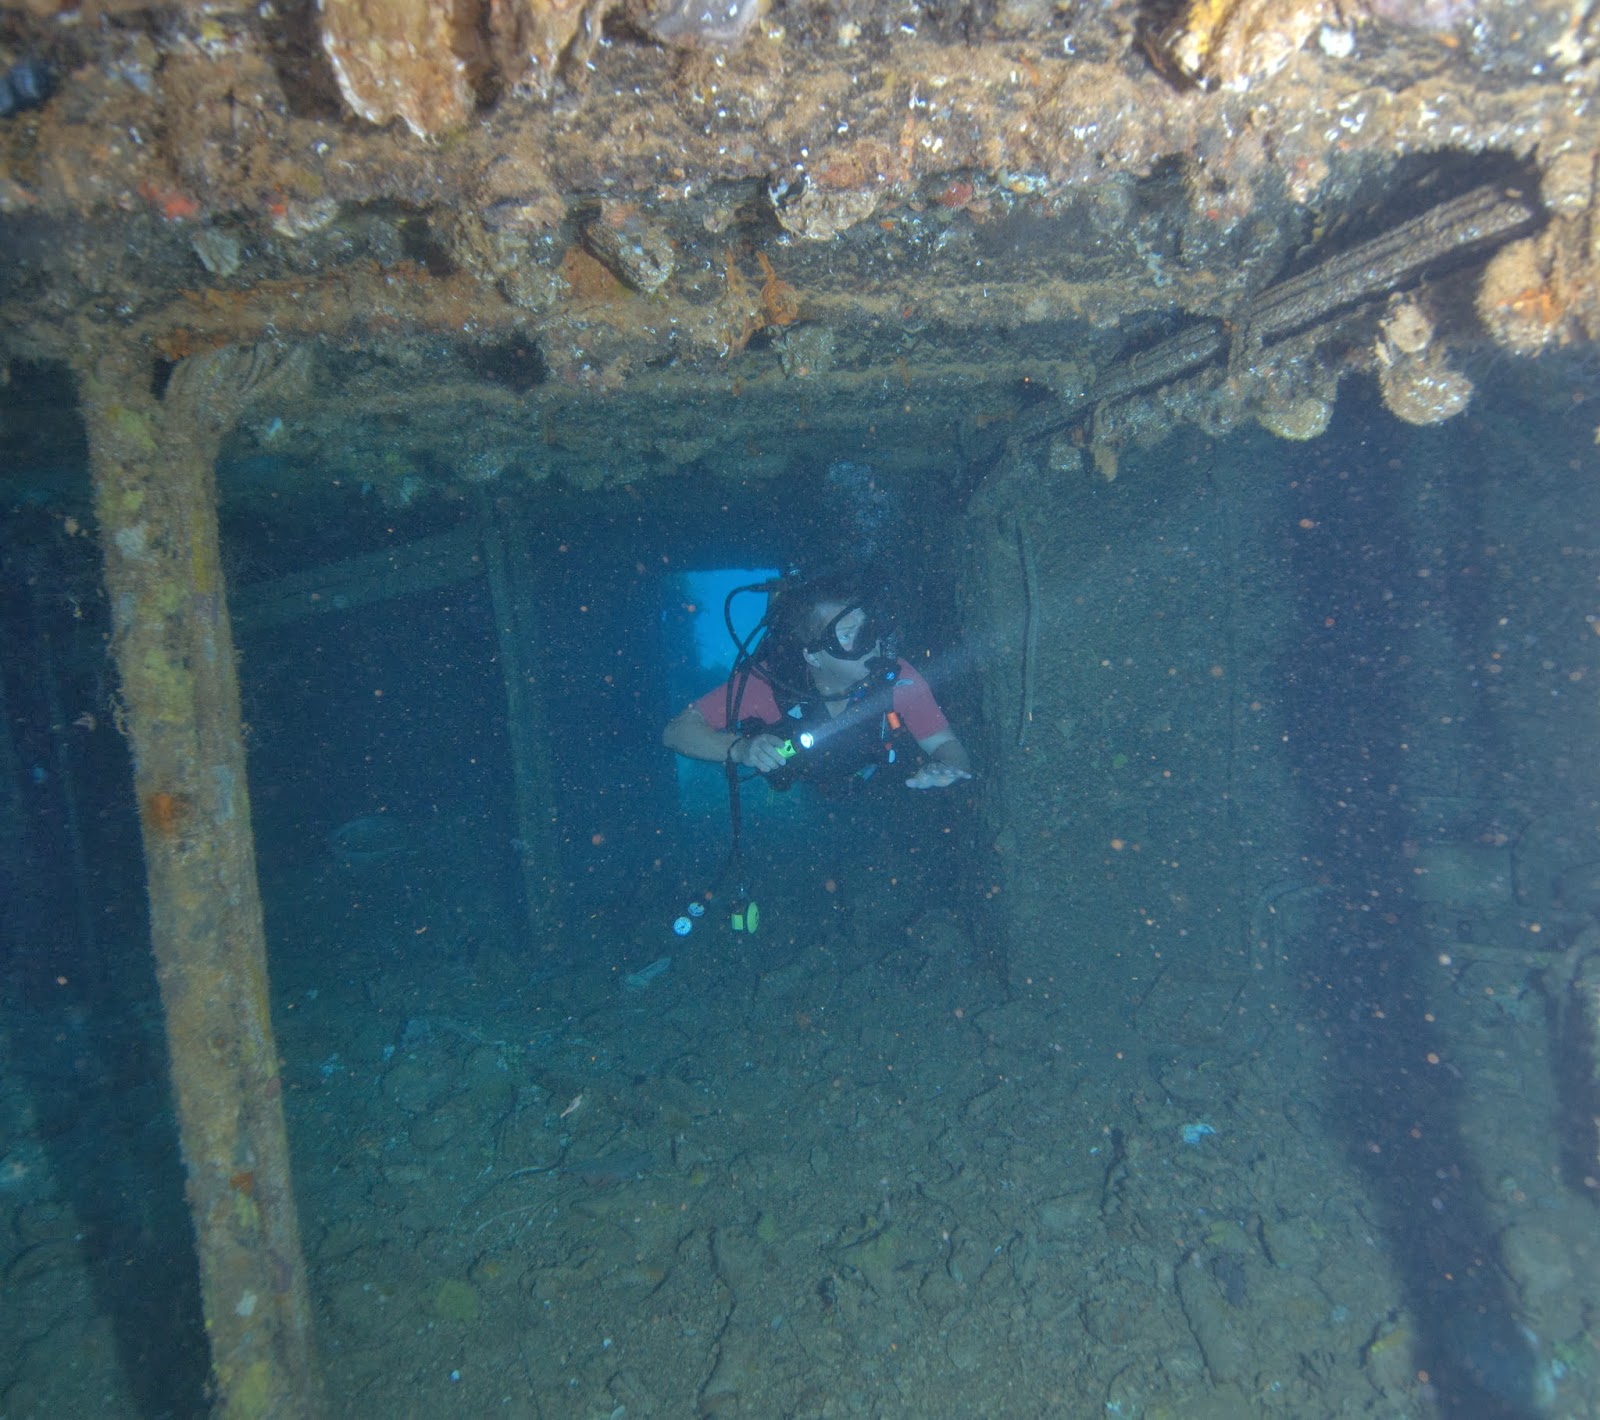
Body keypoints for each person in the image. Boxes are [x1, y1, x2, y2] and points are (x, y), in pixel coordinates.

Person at [662, 575, 973, 791]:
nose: (872, 642)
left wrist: (944, 767)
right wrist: (741, 749)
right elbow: (676, 731)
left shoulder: (899, 678)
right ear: (813, 656)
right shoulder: (769, 684)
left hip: (870, 783)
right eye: (849, 635)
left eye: (868, 628)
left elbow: (947, 745)